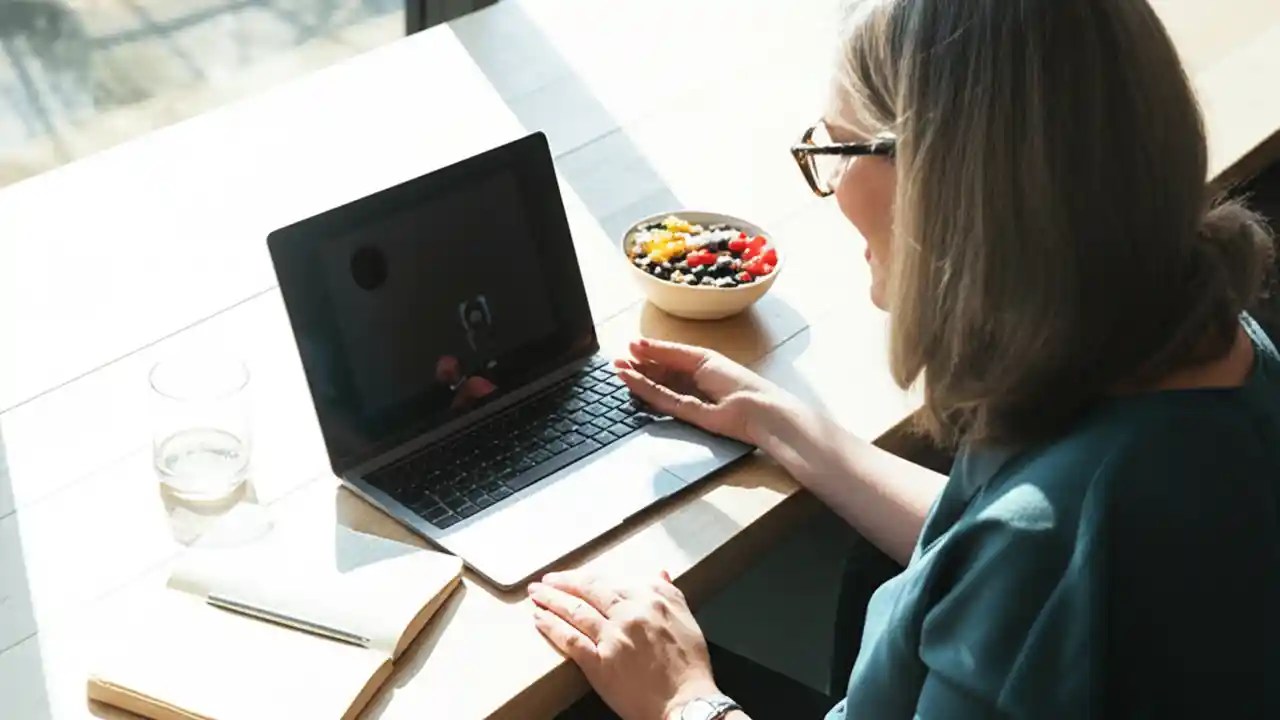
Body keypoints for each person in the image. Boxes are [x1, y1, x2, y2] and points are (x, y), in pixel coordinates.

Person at [526, 0, 1280, 718]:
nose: (829, 185)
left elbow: (1027, 574)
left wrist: (685, 700)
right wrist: (780, 422)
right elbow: (998, 559)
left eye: (834, 145)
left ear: (947, 181)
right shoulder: (1217, 350)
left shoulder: (1039, 554)